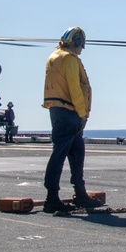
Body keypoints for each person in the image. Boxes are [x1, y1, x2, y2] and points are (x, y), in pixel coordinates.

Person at [41, 27, 101, 212]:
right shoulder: (69, 58)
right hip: (70, 112)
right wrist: (83, 114)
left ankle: (80, 194)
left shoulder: (54, 56)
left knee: (75, 153)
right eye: (81, 45)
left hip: (58, 111)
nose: (81, 49)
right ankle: (52, 198)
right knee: (61, 155)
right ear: (76, 42)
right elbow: (75, 88)